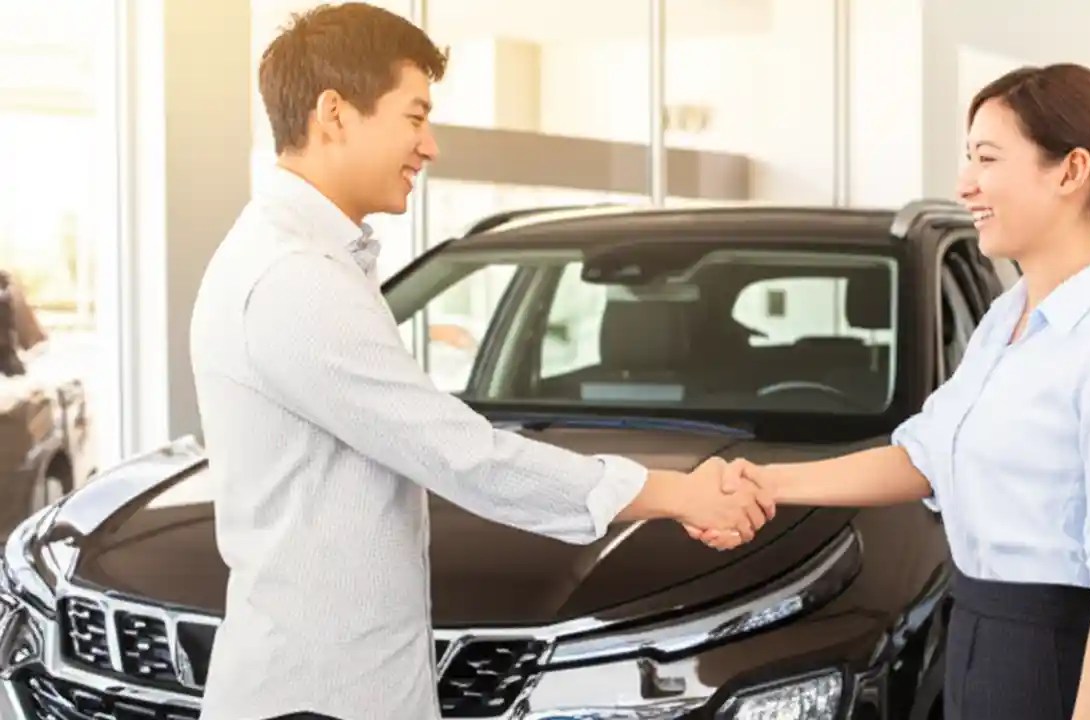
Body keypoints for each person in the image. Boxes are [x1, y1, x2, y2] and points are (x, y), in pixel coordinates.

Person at [188, 5, 771, 720]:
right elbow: (461, 454)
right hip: (318, 699)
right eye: (414, 116)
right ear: (334, 113)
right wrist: (674, 493)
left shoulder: (303, 259)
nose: (428, 146)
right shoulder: (292, 279)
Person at [699, 63, 1090, 719]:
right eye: (968, 159)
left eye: (987, 159)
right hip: (977, 640)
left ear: (1071, 172)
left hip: (1051, 665)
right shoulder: (1005, 319)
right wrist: (768, 483)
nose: (966, 184)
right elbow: (922, 457)